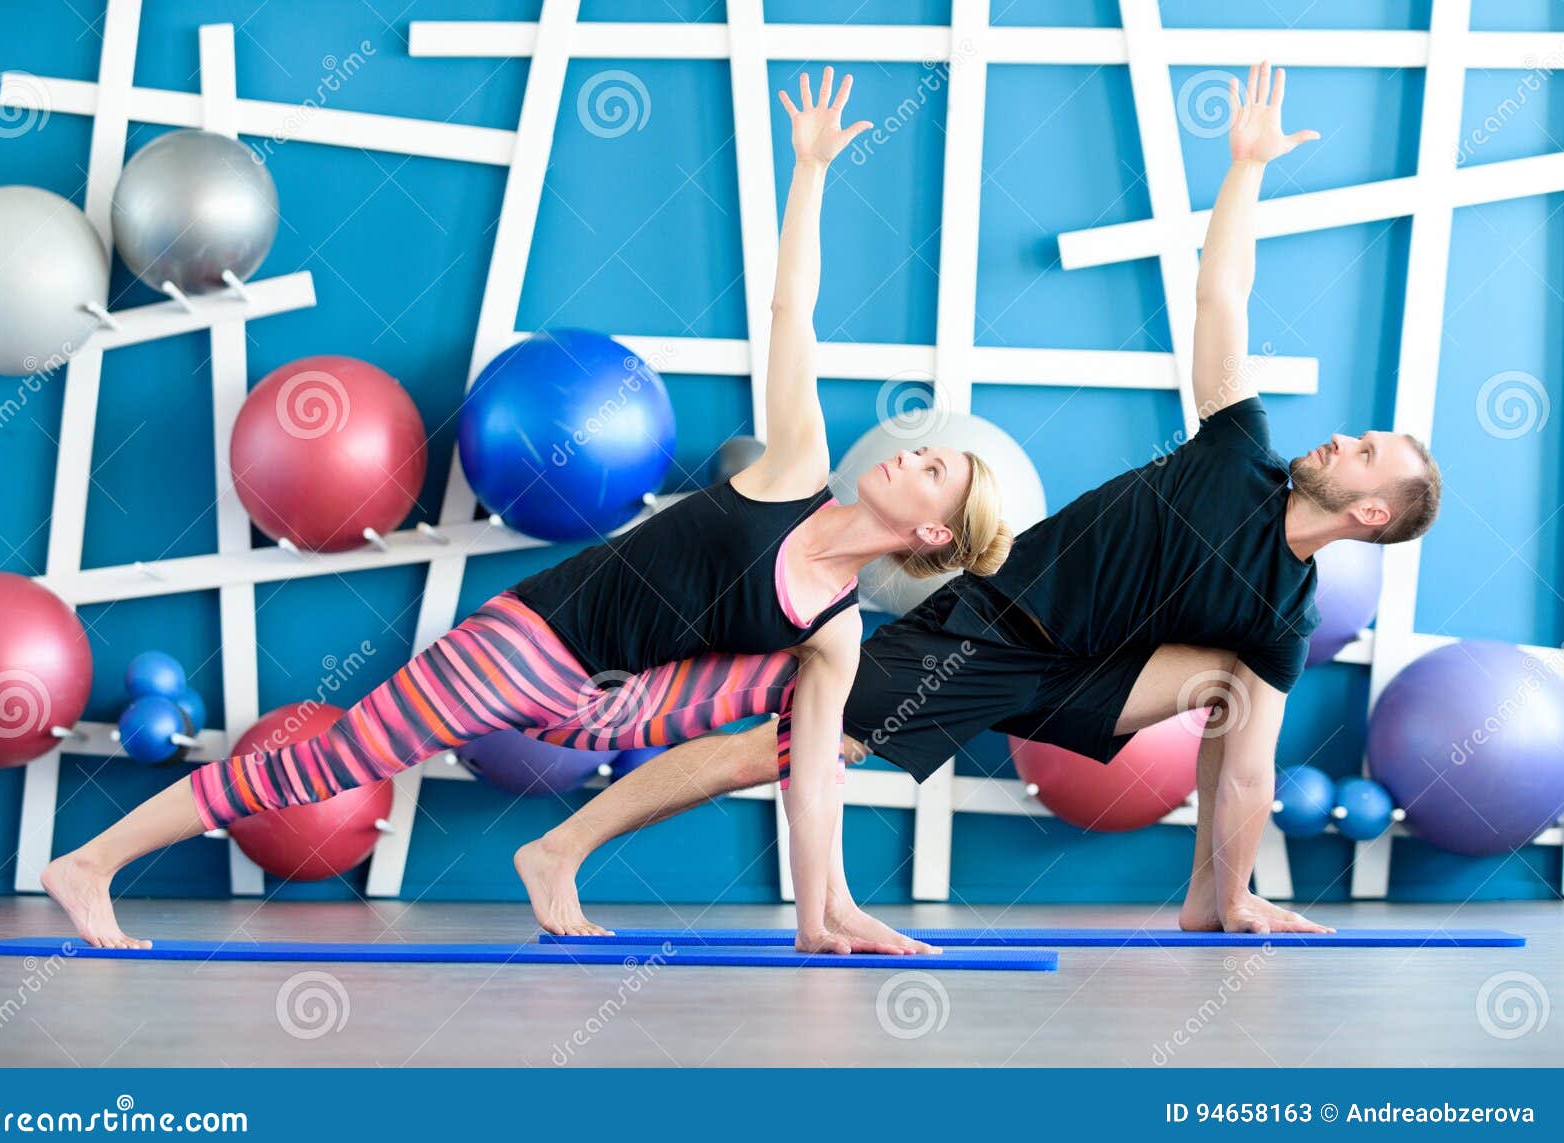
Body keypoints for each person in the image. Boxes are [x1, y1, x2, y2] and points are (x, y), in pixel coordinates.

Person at [42, 67, 1012, 955]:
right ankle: (87, 865)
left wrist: (822, 920)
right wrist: (807, 173)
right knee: (330, 764)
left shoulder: (834, 630)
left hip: (607, 707)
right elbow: (791, 313)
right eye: (929, 450)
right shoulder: (793, 470)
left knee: (814, 717)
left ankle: (823, 912)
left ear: (932, 533)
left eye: (938, 474)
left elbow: (809, 782)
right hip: (524, 648)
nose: (918, 453)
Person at [518, 62, 1443, 939]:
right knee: (797, 745)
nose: (1343, 440)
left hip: (1090, 676)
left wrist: (1244, 890)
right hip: (988, 635)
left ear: (1370, 513)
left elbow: (1248, 775)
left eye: (1365, 454)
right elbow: (1222, 295)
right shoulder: (1239, 449)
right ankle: (560, 849)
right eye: (1359, 435)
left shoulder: (1285, 612)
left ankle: (1217, 899)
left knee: (1240, 691)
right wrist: (1244, 169)